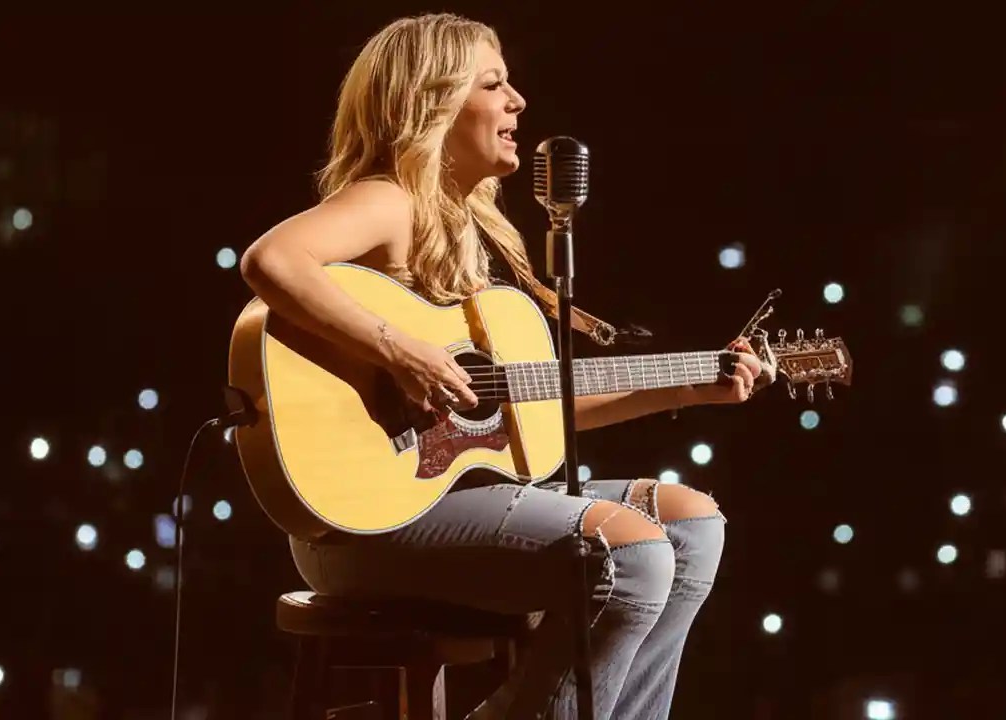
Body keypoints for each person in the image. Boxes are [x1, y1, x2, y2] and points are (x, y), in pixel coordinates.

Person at [238, 13, 773, 719]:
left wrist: (692, 388)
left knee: (694, 526)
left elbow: (538, 414)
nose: (518, 101)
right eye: (493, 83)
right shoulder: (386, 200)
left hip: (443, 504)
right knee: (634, 554)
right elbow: (270, 261)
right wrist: (399, 350)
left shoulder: (466, 229)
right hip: (362, 528)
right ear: (430, 103)